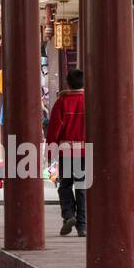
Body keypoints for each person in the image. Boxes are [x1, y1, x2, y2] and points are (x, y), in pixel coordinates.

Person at [47, 68, 87, 237]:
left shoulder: (62, 103)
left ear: (68, 83)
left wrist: (50, 152)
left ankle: (69, 215)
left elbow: (54, 129)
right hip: (86, 150)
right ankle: (82, 226)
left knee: (65, 185)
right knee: (82, 187)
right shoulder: (89, 101)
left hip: (66, 151)